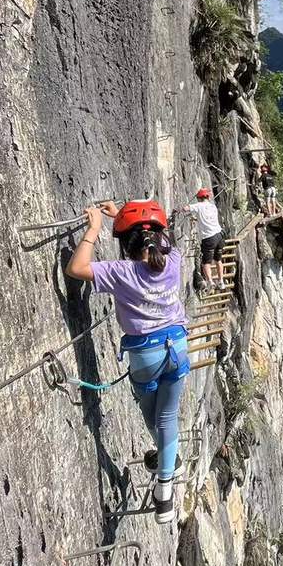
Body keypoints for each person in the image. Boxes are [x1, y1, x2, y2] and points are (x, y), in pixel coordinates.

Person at [66, 200, 188, 524]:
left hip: (145, 355)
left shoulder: (122, 272)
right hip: (178, 347)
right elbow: (158, 236)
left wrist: (94, 228)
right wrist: (121, 215)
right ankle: (166, 480)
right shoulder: (174, 259)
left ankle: (167, 472)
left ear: (127, 244)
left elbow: (76, 268)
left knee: (154, 417)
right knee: (167, 416)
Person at [180, 188, 223, 291]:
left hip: (209, 238)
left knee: (206, 263)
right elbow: (207, 218)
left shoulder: (198, 206)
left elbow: (186, 208)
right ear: (207, 197)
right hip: (220, 235)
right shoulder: (213, 207)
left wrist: (178, 209)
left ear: (199, 198)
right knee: (218, 260)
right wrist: (197, 219)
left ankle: (210, 282)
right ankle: (221, 281)